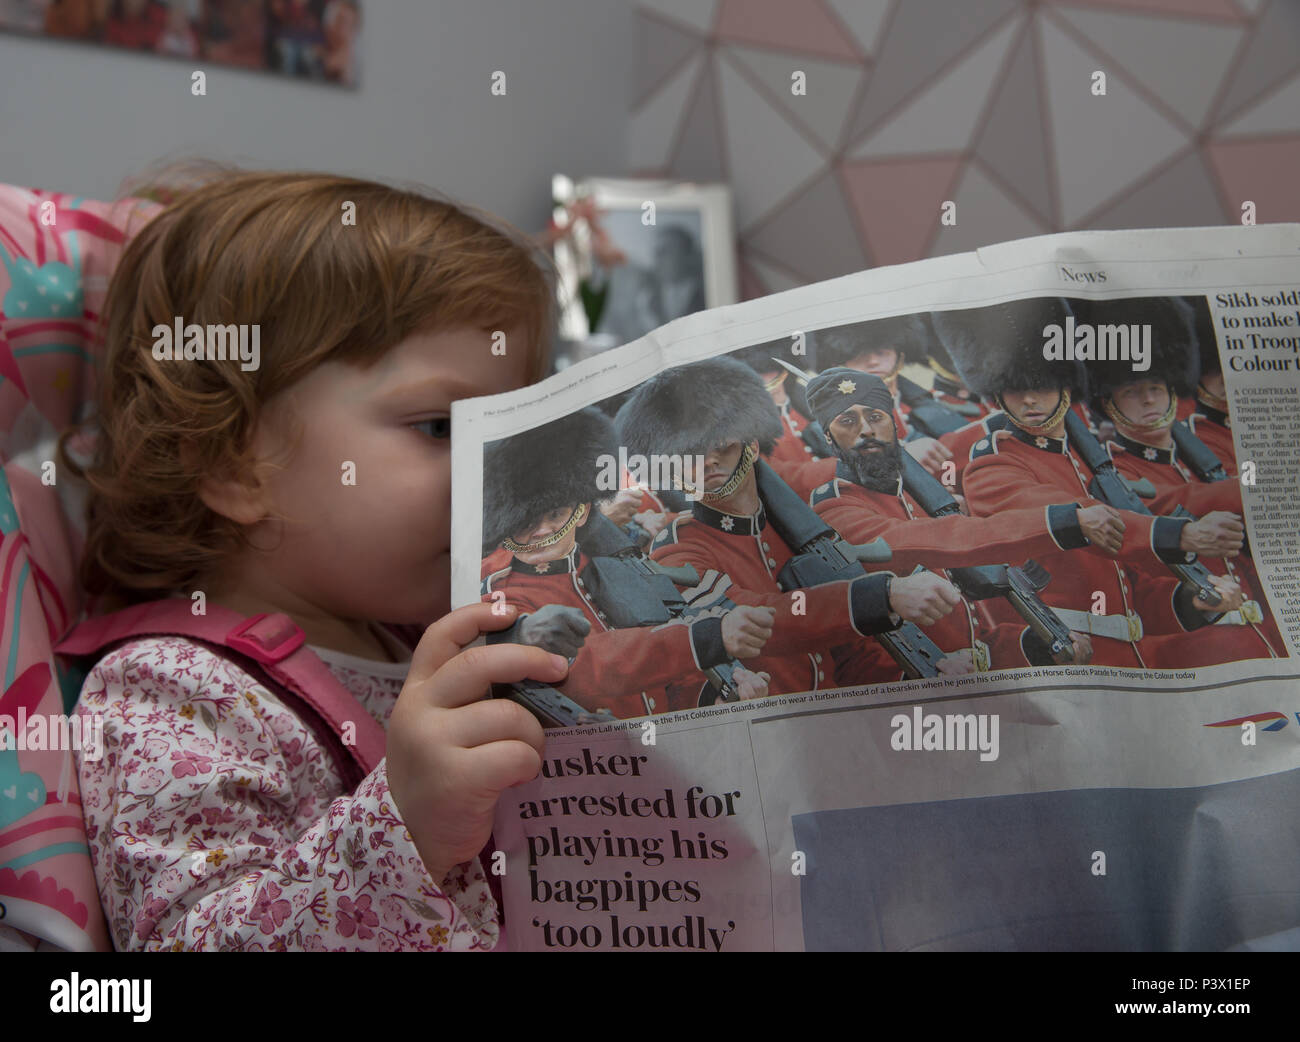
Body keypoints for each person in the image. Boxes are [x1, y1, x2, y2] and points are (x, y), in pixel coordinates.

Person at [56, 169, 563, 950]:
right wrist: (409, 826)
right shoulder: (176, 690)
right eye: (439, 428)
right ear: (229, 462)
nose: (499, 470)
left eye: (510, 427)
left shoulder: (418, 638)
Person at [616, 356, 964, 697]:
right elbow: (762, 616)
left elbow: (847, 656)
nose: (709, 460)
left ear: (751, 446)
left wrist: (915, 675)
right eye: (688, 454)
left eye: (721, 444)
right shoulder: (677, 548)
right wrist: (879, 596)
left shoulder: (791, 529)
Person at [938, 298, 1254, 670]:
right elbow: (1079, 516)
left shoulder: (1085, 467)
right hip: (1065, 661)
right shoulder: (992, 465)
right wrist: (1180, 535)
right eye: (1013, 388)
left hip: (1132, 661)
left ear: (1066, 386)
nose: (1028, 399)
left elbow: (1129, 590)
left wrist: (1190, 600)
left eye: (1040, 384)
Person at [804, 367, 1105, 670]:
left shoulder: (917, 501)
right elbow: (941, 538)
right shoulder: (835, 509)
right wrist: (1057, 522)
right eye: (847, 421)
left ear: (894, 424)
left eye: (876, 417)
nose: (866, 430)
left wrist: (1033, 646)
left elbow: (976, 636)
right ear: (829, 438)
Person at [479, 408, 775, 717]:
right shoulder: (502, 593)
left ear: (580, 513)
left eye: (555, 515)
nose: (541, 532)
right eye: (524, 524)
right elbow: (591, 665)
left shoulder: (603, 567)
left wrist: (714, 698)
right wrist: (702, 639)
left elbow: (661, 687)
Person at [1074, 297, 1279, 660]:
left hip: (1263, 633)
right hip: (1201, 643)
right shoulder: (1114, 472)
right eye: (1131, 392)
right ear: (1108, 404)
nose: (1148, 400)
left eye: (1155, 387)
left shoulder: (1199, 452)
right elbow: (1167, 501)